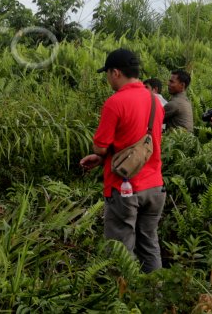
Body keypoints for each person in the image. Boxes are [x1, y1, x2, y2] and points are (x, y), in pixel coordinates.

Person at [80, 48, 164, 273]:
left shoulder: (115, 103)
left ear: (115, 72)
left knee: (120, 250)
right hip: (155, 186)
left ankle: (122, 300)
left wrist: (99, 155)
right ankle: (154, 298)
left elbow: (101, 145)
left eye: (107, 73)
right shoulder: (154, 100)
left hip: (125, 188)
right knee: (149, 245)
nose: (107, 78)